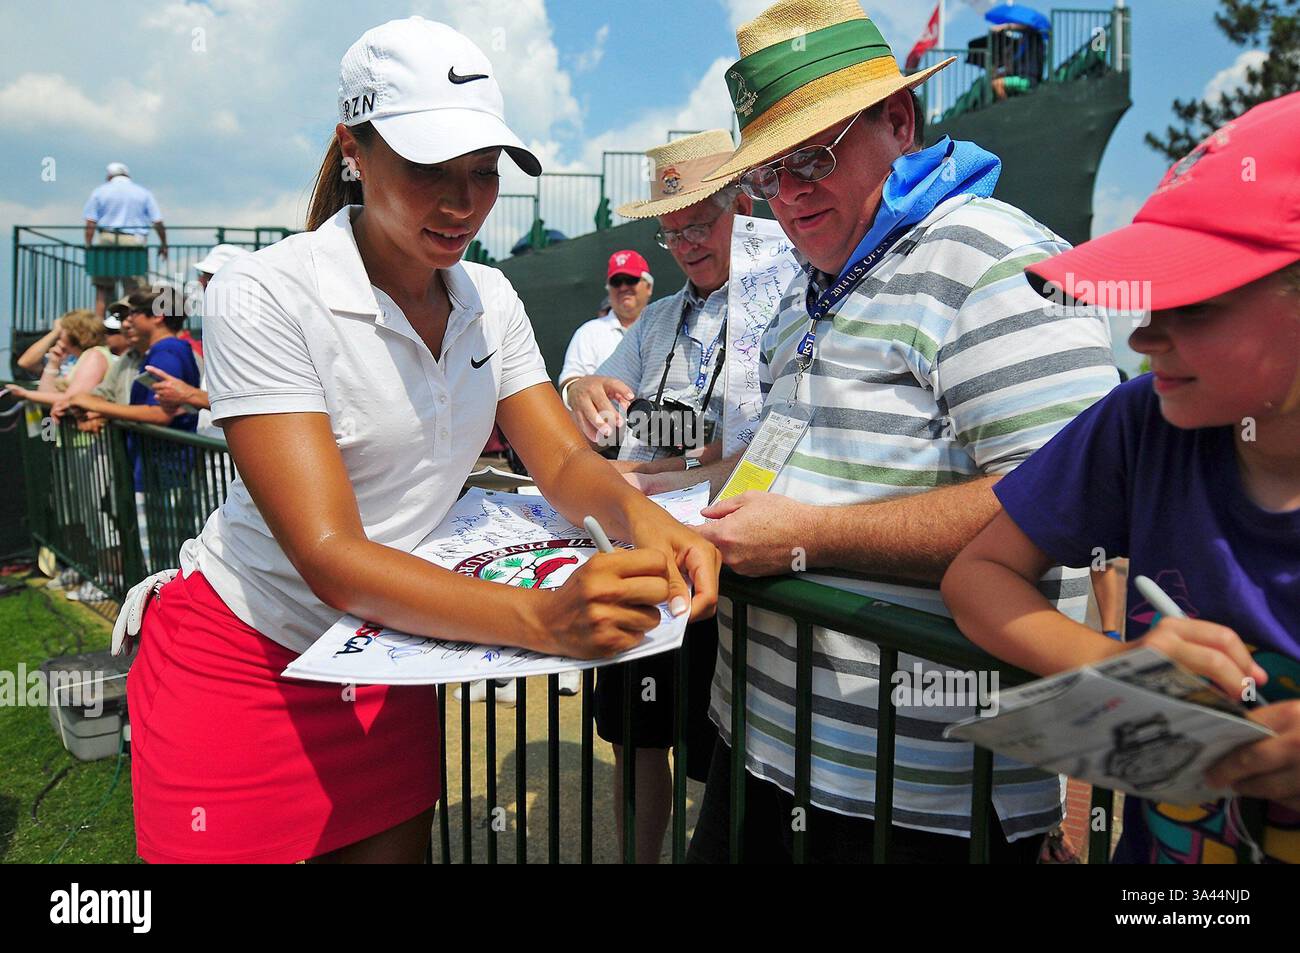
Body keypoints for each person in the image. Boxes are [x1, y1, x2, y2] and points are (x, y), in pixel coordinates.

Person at [120, 16, 720, 865]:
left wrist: (652, 524)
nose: (463, 201)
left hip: (388, 651)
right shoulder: (264, 291)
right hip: (244, 658)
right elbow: (329, 553)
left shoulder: (491, 297)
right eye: (428, 169)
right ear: (353, 150)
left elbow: (561, 460)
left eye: (482, 173)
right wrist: (544, 620)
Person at [638, 0, 1118, 863]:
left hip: (917, 800)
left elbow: (1071, 507)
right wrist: (682, 510)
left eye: (812, 159)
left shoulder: (993, 259)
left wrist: (810, 540)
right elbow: (790, 456)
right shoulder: (807, 285)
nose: (787, 195)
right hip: (756, 751)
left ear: (899, 122)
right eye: (766, 174)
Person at [942, 92, 1300, 864]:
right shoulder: (1140, 423)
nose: (1142, 333)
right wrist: (1114, 668)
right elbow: (980, 573)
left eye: (1194, 301)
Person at [565, 130, 751, 863]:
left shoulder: (781, 299)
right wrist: (582, 389)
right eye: (671, 231)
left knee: (719, 752)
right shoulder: (659, 319)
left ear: (741, 204)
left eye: (700, 223)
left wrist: (665, 467)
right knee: (635, 736)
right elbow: (584, 389)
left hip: (720, 565)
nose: (685, 243)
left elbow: (767, 443)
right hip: (648, 557)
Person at [558, 251, 653, 395]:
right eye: (616, 282)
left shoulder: (666, 328)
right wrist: (577, 388)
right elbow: (570, 383)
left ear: (648, 287)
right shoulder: (589, 332)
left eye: (630, 279)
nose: (623, 287)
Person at [83, 162, 167, 319]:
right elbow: (157, 221)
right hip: (133, 242)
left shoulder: (100, 192)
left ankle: (99, 328)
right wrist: (164, 244)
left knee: (102, 289)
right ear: (128, 175)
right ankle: (130, 323)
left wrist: (89, 247)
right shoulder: (142, 193)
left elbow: (90, 223)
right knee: (134, 290)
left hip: (106, 240)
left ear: (109, 176)